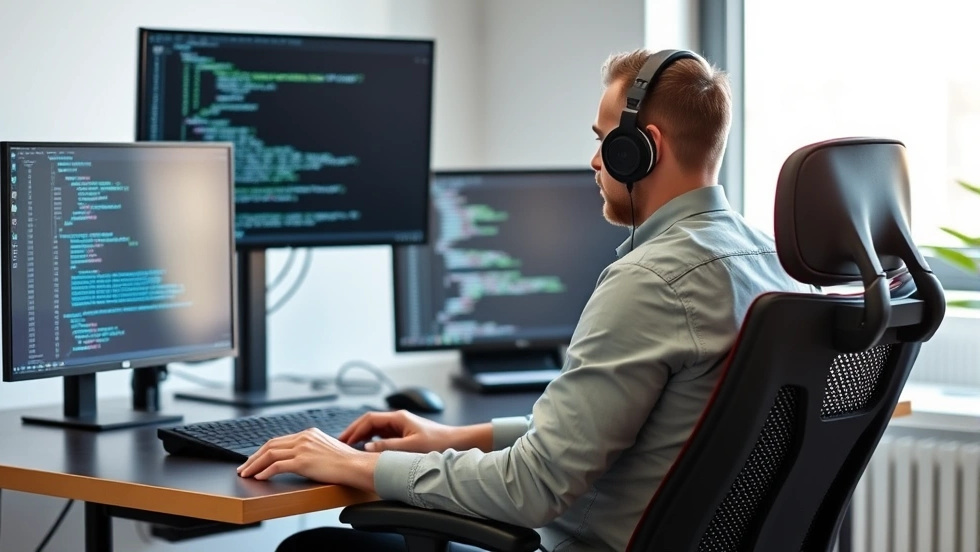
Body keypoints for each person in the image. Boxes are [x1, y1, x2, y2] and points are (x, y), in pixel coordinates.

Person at [238, 48, 811, 552]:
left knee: (317, 548)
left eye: (601, 139)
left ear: (642, 148)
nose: (594, 160)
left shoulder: (651, 280)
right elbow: (614, 433)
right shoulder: (780, 267)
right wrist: (454, 437)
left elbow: (533, 487)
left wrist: (361, 465)